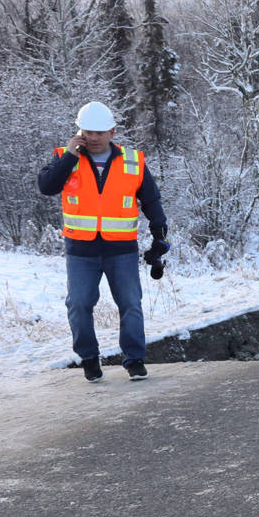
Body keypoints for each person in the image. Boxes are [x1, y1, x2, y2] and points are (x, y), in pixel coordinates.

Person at [37, 101, 170, 383]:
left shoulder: (133, 162)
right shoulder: (64, 157)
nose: (94, 138)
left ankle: (134, 360)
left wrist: (160, 234)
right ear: (79, 131)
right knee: (79, 304)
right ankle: (89, 359)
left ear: (112, 131)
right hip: (81, 250)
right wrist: (70, 157)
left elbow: (151, 200)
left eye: (99, 132)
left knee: (131, 303)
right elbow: (47, 187)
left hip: (120, 249)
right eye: (88, 132)